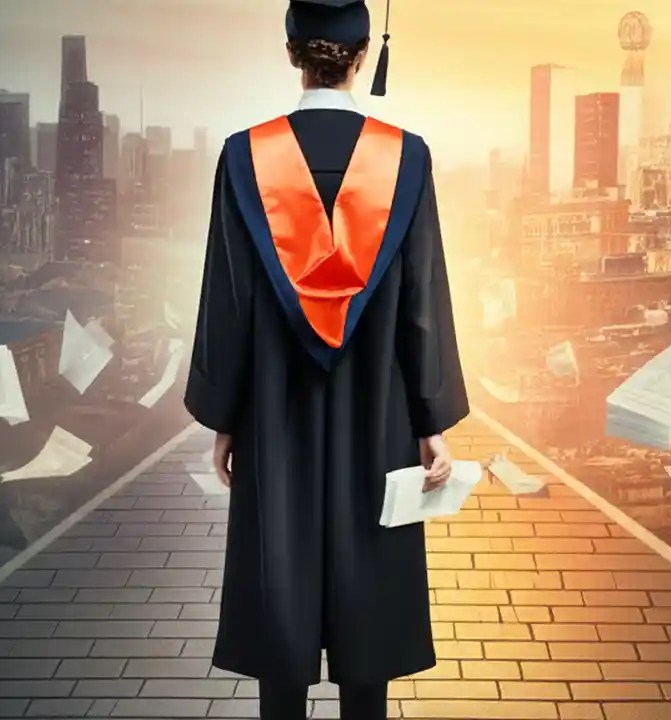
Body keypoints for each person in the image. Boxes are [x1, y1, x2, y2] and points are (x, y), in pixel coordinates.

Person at [183, 1, 469, 718]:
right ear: (363, 54)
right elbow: (421, 299)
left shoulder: (245, 156)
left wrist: (224, 416)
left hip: (275, 415)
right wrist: (431, 419)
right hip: (378, 410)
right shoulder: (406, 157)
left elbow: (229, 299)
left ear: (290, 52)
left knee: (278, 584)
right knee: (368, 583)